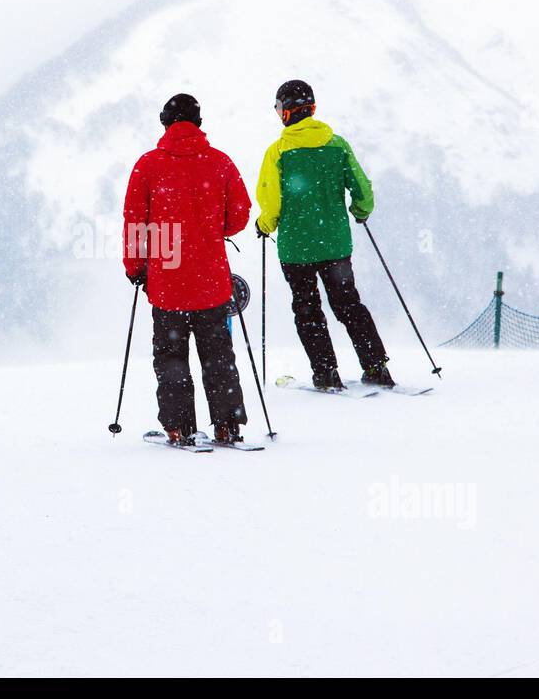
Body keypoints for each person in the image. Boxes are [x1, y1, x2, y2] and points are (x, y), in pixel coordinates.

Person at [123, 93, 252, 447]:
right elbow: (240, 214)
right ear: (198, 122)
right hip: (211, 281)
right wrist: (211, 227)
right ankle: (227, 425)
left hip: (167, 284)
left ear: (165, 123)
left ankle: (180, 427)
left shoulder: (148, 166)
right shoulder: (220, 163)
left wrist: (136, 268)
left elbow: (135, 223)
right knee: (218, 356)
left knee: (171, 356)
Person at [254, 79, 396, 389]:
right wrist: (360, 211)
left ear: (285, 112)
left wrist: (264, 225)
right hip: (335, 245)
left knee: (308, 310)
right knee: (349, 304)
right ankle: (375, 365)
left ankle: (326, 371)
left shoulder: (277, 152)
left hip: (296, 249)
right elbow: (362, 188)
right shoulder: (337, 145)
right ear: (312, 109)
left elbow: (271, 201)